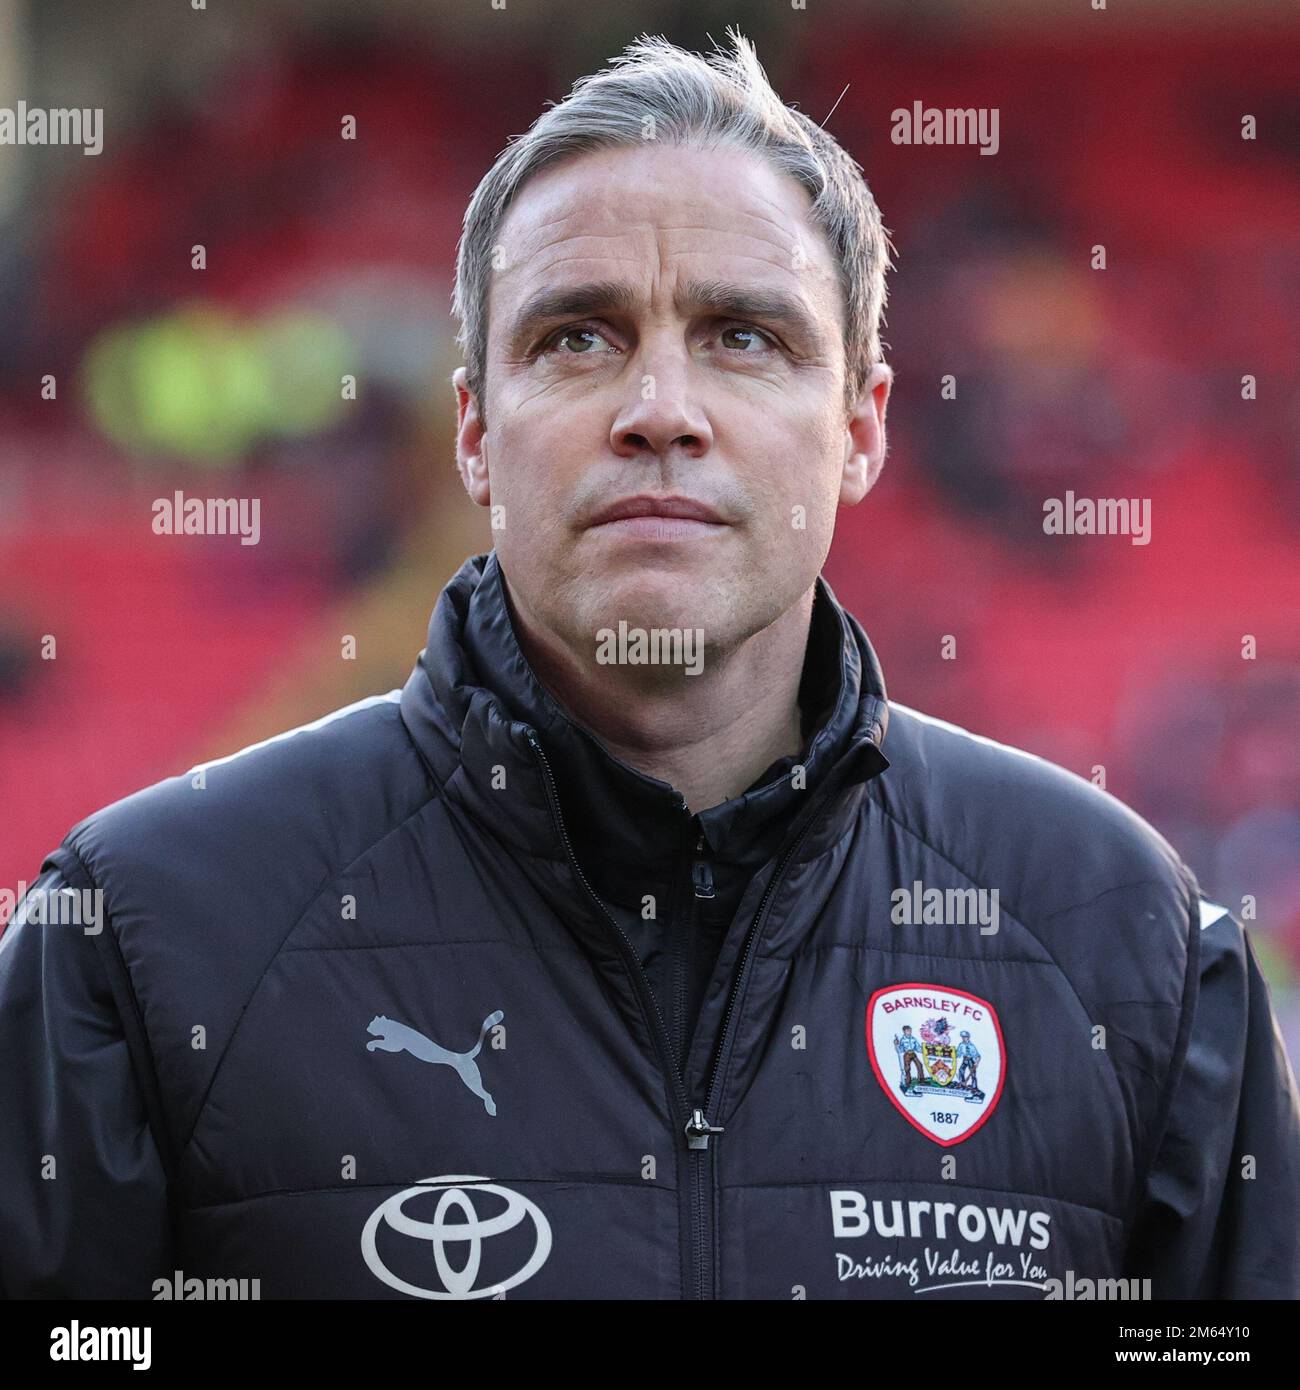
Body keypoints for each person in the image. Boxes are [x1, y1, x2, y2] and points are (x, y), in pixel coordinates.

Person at [1, 30, 1297, 1302]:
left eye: (744, 336)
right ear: (472, 433)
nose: (661, 406)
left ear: (860, 426)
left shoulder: (1126, 941)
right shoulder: (139, 940)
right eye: (578, 336)